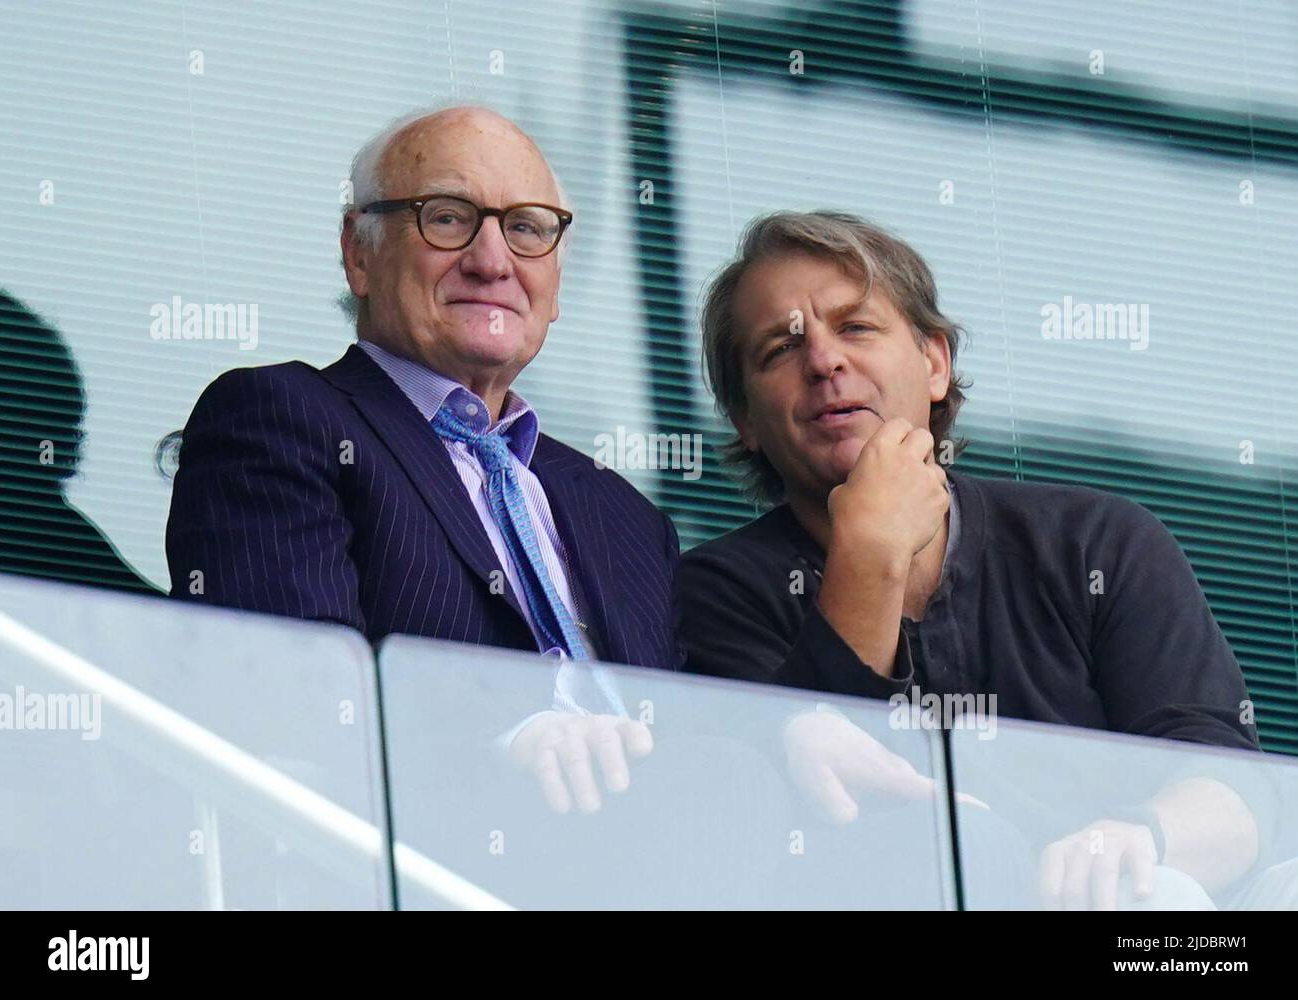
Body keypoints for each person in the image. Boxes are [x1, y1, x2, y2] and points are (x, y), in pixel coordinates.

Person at [679, 210, 1273, 908]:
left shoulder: (1095, 541)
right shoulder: (715, 592)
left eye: (857, 327)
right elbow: (811, 796)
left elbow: (1232, 779)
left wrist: (1138, 838)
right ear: (745, 420)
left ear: (935, 363)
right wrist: (870, 552)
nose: (825, 361)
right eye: (780, 348)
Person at [167, 105, 683, 807]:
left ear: (556, 281)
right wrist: (504, 752)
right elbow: (286, 703)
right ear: (359, 253)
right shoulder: (283, 420)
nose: (493, 260)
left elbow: (690, 728)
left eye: (527, 228)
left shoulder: (626, 515)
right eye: (447, 217)